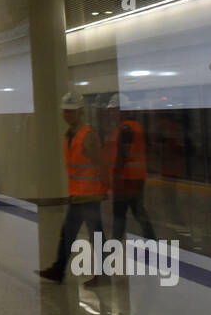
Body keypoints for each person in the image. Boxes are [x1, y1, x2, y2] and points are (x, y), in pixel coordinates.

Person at [38, 92, 110, 287]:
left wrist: (104, 189)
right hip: (78, 196)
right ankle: (58, 269)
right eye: (66, 112)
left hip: (90, 196)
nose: (68, 115)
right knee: (70, 233)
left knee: (94, 236)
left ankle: (96, 274)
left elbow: (102, 164)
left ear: (81, 112)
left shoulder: (88, 136)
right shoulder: (69, 136)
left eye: (72, 112)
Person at [103, 96, 155, 240]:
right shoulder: (135, 126)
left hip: (125, 181)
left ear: (122, 110)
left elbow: (122, 156)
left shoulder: (125, 129)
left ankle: (116, 244)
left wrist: (115, 178)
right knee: (138, 212)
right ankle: (151, 239)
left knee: (120, 214)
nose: (111, 114)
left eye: (113, 110)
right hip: (136, 179)